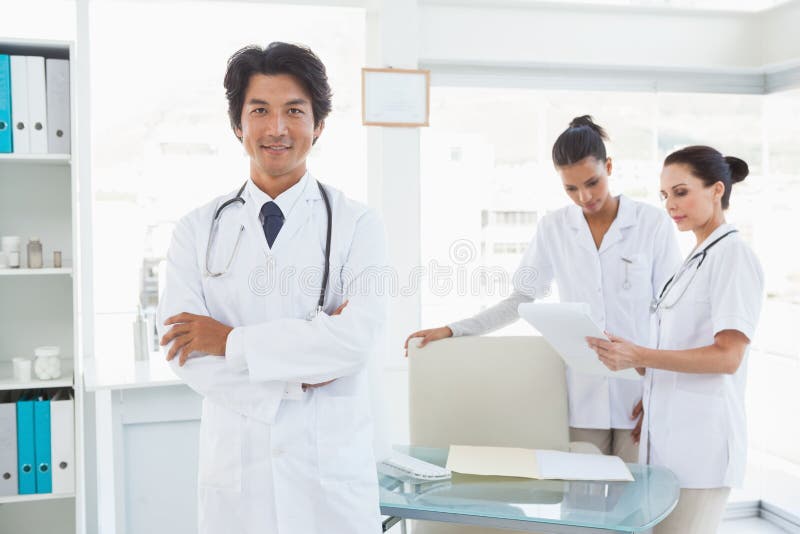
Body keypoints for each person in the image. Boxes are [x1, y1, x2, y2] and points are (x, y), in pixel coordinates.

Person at [156, 42, 388, 534]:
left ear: (318, 125)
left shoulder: (357, 224)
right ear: (238, 124)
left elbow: (355, 342)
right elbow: (184, 351)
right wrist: (296, 375)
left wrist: (230, 341)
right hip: (239, 485)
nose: (277, 128)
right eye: (259, 110)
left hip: (329, 485)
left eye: (294, 111)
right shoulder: (197, 230)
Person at [406, 116, 681, 462]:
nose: (584, 196)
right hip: (581, 398)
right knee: (583, 508)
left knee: (637, 505)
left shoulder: (651, 224)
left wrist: (660, 389)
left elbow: (672, 314)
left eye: (593, 182)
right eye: (571, 189)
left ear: (609, 167)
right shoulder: (554, 228)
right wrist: (453, 329)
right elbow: (520, 300)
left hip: (639, 394)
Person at [587, 145, 763, 533]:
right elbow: (683, 343)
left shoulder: (733, 256)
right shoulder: (696, 258)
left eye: (681, 192)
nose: (670, 204)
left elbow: (728, 356)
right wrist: (646, 377)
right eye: (665, 195)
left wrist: (641, 355)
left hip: (703, 449)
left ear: (717, 190)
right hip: (667, 446)